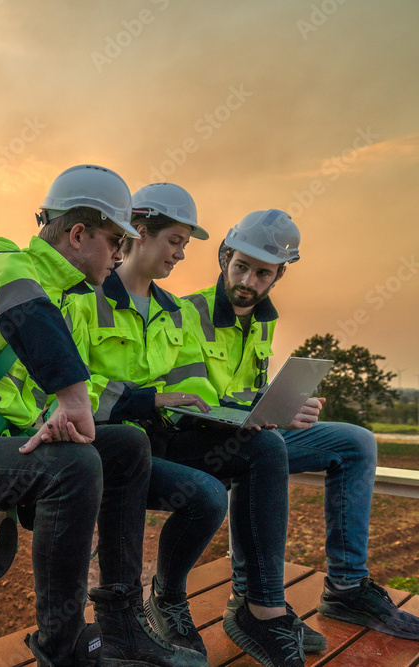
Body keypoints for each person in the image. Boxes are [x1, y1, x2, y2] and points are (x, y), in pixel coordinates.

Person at [0, 165, 200, 666]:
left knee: (126, 446)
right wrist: (73, 398)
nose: (122, 255)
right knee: (74, 465)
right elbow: (21, 304)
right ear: (78, 234)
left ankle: (121, 624)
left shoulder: (65, 302)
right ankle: (64, 648)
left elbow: (36, 381)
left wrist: (52, 417)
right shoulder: (0, 259)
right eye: (117, 240)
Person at [65, 184, 301, 666]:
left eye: (185, 246)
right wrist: (149, 399)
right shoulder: (86, 298)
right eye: (174, 242)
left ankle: (264, 609)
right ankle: (158, 604)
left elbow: (194, 392)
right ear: (141, 232)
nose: (180, 254)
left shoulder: (175, 313)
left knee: (265, 447)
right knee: (208, 494)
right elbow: (68, 388)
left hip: (164, 440)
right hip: (106, 444)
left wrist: (240, 415)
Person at [184, 209, 419, 644]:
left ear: (279, 275)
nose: (249, 282)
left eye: (263, 273)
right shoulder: (186, 313)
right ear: (223, 257)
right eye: (241, 267)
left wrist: (285, 403)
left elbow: (249, 392)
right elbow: (189, 402)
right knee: (263, 450)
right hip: (205, 445)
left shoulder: (263, 321)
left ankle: (347, 590)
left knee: (356, 442)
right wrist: (266, 409)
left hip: (253, 431)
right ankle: (250, 596)